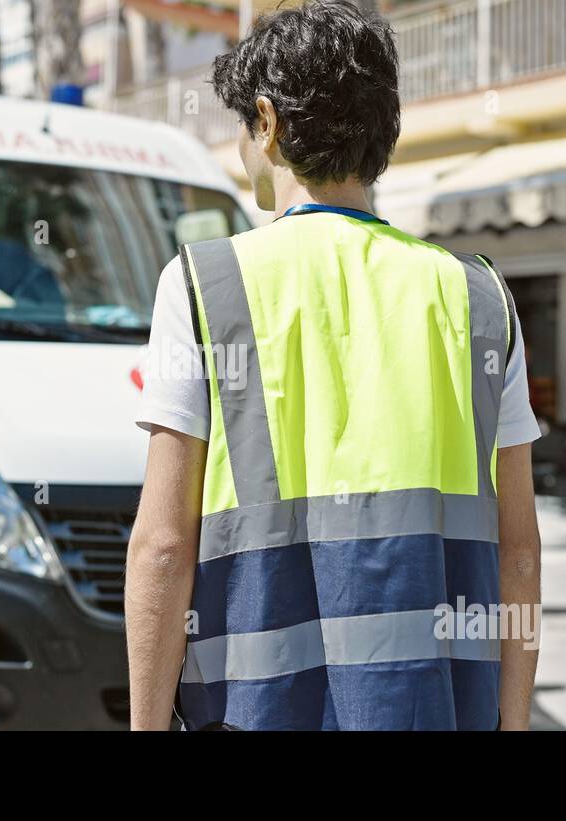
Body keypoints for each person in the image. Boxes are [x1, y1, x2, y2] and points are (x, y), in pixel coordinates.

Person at [123, 0, 543, 731]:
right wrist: (512, 722)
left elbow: (162, 546)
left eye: (245, 131)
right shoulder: (479, 296)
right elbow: (520, 549)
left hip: (257, 710)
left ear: (268, 122)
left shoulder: (203, 282)